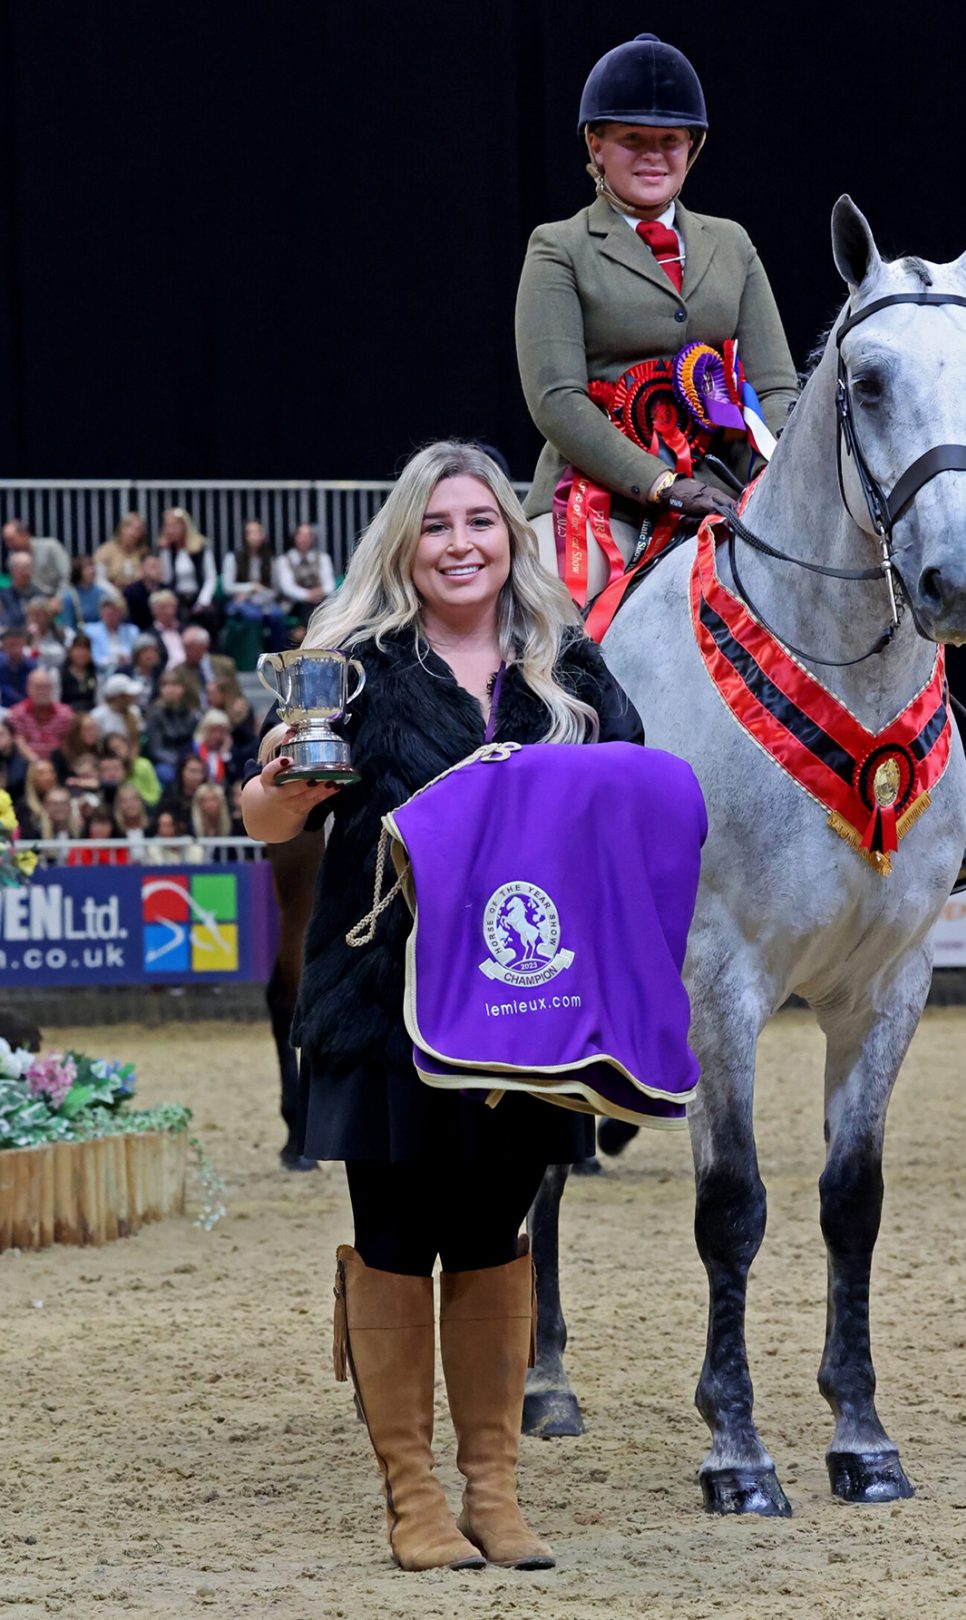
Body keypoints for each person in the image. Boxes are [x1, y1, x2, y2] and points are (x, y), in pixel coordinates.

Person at [242, 441, 644, 1574]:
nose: (460, 544)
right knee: (393, 1240)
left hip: (528, 1006)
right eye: (436, 525)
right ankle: (413, 1499)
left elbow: (633, 793)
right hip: (384, 1004)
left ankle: (494, 1492)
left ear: (511, 537)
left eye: (480, 522)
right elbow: (265, 820)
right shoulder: (354, 668)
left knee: (491, 1238)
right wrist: (283, 784)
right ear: (405, 543)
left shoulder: (569, 666)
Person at [515, 33, 798, 604]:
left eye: (669, 140)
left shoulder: (732, 243)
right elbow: (557, 400)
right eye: (632, 140)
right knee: (548, 613)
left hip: (731, 498)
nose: (653, 155)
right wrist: (662, 484)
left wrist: (777, 483)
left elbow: (775, 388)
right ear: (596, 145)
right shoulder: (559, 247)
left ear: (692, 147)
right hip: (600, 506)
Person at [223, 520, 289, 652]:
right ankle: (253, 655)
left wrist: (262, 594)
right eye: (250, 533)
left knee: (277, 615)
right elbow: (227, 587)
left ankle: (278, 654)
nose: (254, 537)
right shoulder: (233, 557)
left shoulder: (270, 558)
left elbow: (275, 589)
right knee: (253, 616)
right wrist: (250, 587)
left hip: (265, 600)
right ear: (245, 536)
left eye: (258, 532)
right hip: (240, 600)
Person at [157, 507, 218, 624]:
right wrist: (165, 551)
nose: (171, 530)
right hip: (177, 599)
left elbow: (211, 577)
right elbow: (166, 579)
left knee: (210, 615)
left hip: (199, 596)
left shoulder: (200, 547)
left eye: (175, 525)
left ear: (185, 525)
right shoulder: (168, 550)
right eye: (168, 526)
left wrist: (202, 601)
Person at [274, 522, 334, 630]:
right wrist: (307, 595)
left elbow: (329, 585)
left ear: (312, 539)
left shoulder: (323, 558)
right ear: (294, 538)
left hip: (320, 601)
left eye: (307, 535)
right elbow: (287, 587)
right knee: (307, 607)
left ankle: (303, 632)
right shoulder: (284, 560)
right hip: (293, 604)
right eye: (301, 535)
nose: (304, 539)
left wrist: (320, 593)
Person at [143, 672, 200, 783]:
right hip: (164, 761)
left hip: (188, 759)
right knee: (167, 774)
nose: (170, 690)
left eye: (174, 685)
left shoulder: (192, 714)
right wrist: (179, 762)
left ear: (183, 689)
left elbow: (196, 741)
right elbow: (156, 749)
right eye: (165, 685)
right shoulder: (155, 715)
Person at [9, 669, 75, 763]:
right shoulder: (17, 713)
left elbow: (68, 743)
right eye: (38, 687)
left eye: (46, 687)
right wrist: (38, 763)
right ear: (28, 688)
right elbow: (19, 742)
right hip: (27, 763)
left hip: (58, 763)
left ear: (52, 688)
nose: (42, 691)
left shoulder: (65, 713)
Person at [171, 624, 240, 710]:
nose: (186, 652)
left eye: (190, 648)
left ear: (204, 647)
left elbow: (236, 693)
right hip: (195, 713)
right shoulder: (178, 671)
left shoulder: (225, 665)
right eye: (184, 648)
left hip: (225, 711)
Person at [2, 519, 71, 602]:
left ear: (24, 534)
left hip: (57, 597)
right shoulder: (13, 558)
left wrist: (58, 599)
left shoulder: (50, 547)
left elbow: (67, 575)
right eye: (6, 541)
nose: (8, 545)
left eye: (11, 540)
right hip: (31, 603)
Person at [85, 597, 140, 677]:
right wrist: (113, 660)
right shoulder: (90, 630)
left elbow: (137, 656)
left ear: (121, 613)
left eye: (114, 611)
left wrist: (126, 659)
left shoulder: (132, 631)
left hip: (129, 672)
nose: (110, 613)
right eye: (106, 611)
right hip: (102, 673)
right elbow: (93, 658)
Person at [94, 512, 149, 589]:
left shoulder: (143, 553)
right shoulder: (105, 551)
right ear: (121, 529)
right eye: (130, 528)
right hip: (111, 593)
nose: (134, 533)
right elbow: (99, 580)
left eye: (138, 530)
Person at [123, 554, 167, 633]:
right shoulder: (131, 592)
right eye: (153, 567)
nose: (158, 570)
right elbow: (129, 621)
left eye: (160, 567)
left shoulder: (167, 590)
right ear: (142, 569)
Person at [59, 633, 99, 713]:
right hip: (66, 715)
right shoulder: (59, 675)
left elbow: (98, 702)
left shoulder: (95, 676)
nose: (82, 653)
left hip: (90, 715)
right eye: (78, 649)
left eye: (86, 649)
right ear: (70, 652)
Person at [146, 588, 186, 667]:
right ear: (153, 610)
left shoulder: (186, 630)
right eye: (163, 608)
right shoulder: (149, 635)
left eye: (172, 607)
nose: (169, 612)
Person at [0, 551, 40, 630]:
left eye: (30, 568)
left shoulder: (39, 595)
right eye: (23, 568)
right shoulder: (2, 596)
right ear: (12, 570)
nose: (27, 573)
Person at [0, 625, 37, 708]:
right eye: (11, 644)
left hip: (27, 708)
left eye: (17, 644)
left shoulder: (32, 666)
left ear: (24, 644)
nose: (15, 648)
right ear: (4, 645)